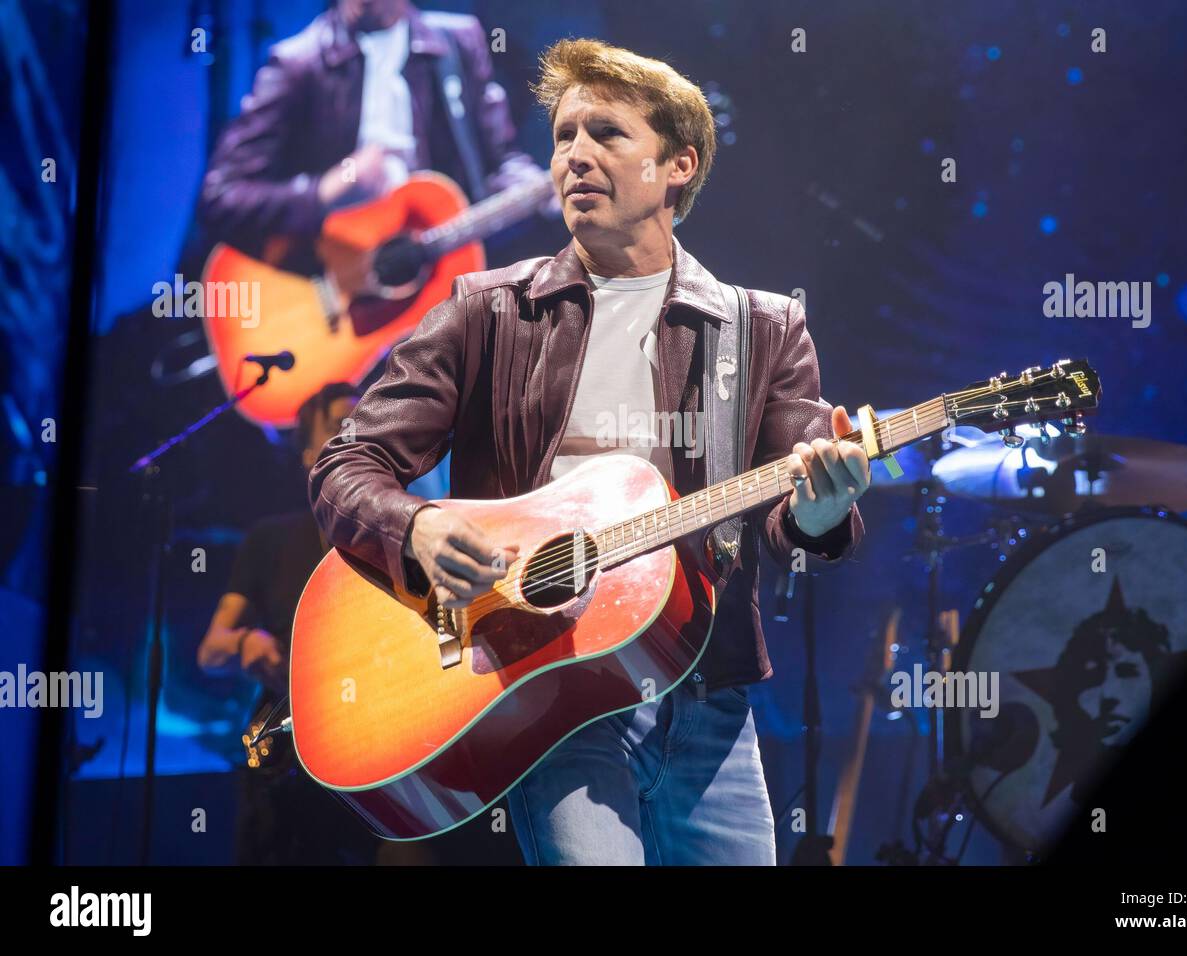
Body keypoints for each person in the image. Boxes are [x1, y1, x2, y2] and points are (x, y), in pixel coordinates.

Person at [308, 38, 870, 865]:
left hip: (707, 698)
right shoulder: (486, 311)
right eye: (564, 135)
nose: (574, 156)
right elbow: (345, 464)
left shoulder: (761, 328)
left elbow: (797, 513)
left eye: (606, 134)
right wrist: (417, 528)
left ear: (678, 166)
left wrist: (821, 509)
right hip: (551, 698)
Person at [198, 0, 544, 275]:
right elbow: (222, 196)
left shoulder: (458, 43)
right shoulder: (298, 65)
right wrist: (324, 190)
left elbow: (502, 161)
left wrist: (541, 187)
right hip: (337, 293)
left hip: (441, 278)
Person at [197, 382, 388, 865]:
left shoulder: (393, 537)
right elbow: (210, 651)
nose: (354, 437)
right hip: (284, 753)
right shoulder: (268, 539)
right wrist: (245, 640)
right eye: (339, 428)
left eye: (361, 426)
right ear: (309, 453)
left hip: (378, 747)